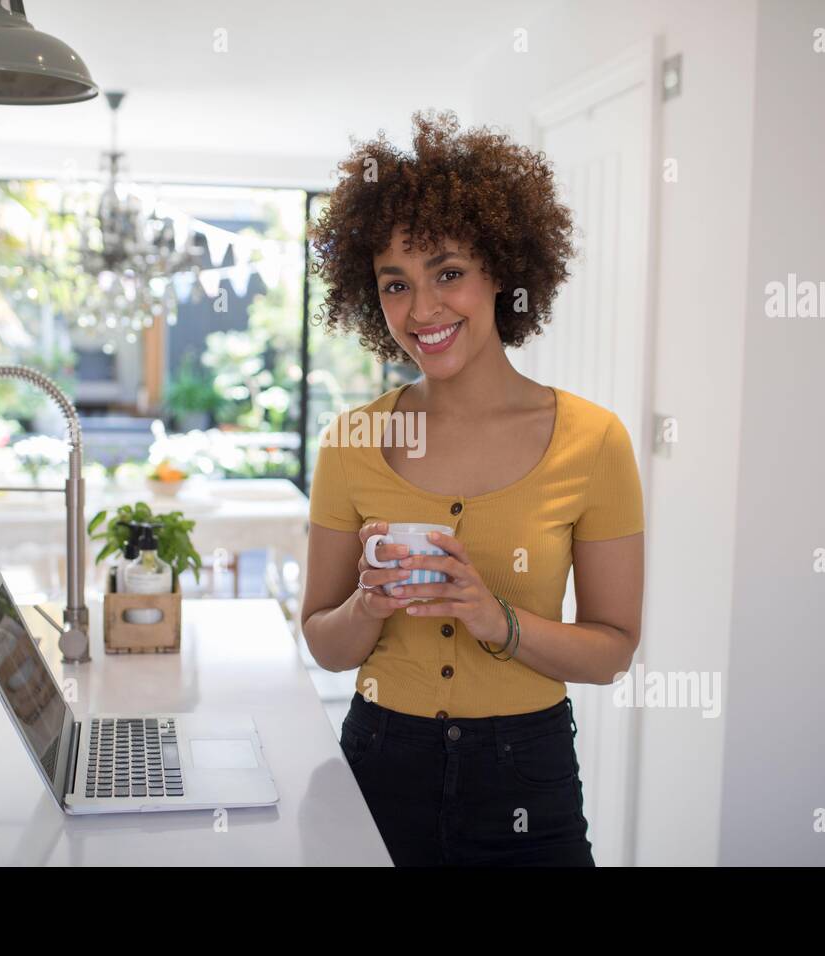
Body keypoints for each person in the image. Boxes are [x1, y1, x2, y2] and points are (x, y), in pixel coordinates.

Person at [301, 109, 645, 866]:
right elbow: (323, 643)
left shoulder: (594, 441)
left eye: (448, 274)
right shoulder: (352, 439)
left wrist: (499, 621)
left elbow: (612, 649)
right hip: (379, 762)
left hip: (526, 775)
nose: (421, 310)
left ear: (502, 271)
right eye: (396, 284)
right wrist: (367, 604)